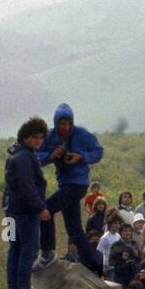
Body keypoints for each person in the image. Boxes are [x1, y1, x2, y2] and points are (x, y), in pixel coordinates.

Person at [34, 103, 102, 270]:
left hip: (78, 184)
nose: (66, 127)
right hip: (64, 183)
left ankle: (48, 252)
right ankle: (94, 266)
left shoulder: (81, 134)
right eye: (62, 124)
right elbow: (34, 156)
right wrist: (51, 156)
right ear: (56, 123)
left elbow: (98, 151)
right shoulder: (49, 137)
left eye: (68, 123)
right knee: (74, 229)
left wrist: (81, 156)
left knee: (46, 210)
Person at [2, 116, 49, 289]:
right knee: (28, 248)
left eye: (41, 137)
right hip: (25, 212)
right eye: (35, 137)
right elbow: (27, 187)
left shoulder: (14, 153)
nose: (38, 141)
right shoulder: (24, 157)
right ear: (26, 137)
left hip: (10, 210)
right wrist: (40, 208)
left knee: (14, 248)